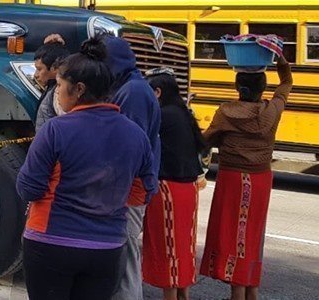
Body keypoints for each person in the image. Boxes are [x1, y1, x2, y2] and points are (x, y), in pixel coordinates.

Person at [17, 37, 157, 300]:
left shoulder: (55, 130)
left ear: (78, 89)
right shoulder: (135, 135)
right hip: (107, 248)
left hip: (50, 242)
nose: (56, 92)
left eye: (59, 85)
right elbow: (143, 192)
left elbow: (29, 188)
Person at [200, 54, 292, 300]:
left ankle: (237, 293)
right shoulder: (272, 111)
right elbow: (285, 85)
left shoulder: (226, 112)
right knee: (252, 235)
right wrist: (281, 62)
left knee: (233, 235)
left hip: (232, 180)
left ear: (237, 87)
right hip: (261, 180)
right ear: (263, 88)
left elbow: (205, 141)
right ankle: (251, 290)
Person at [104, 34, 162, 300]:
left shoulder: (133, 92)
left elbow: (129, 147)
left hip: (129, 188)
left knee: (125, 261)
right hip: (129, 186)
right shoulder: (130, 85)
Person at [142, 68, 206, 300]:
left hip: (168, 188)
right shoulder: (181, 113)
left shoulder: (163, 115)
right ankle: (183, 296)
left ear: (157, 92)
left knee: (167, 248)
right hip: (187, 189)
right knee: (184, 246)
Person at [33, 38, 70, 130]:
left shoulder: (60, 93)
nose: (35, 75)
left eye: (39, 69)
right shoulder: (52, 86)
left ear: (54, 68)